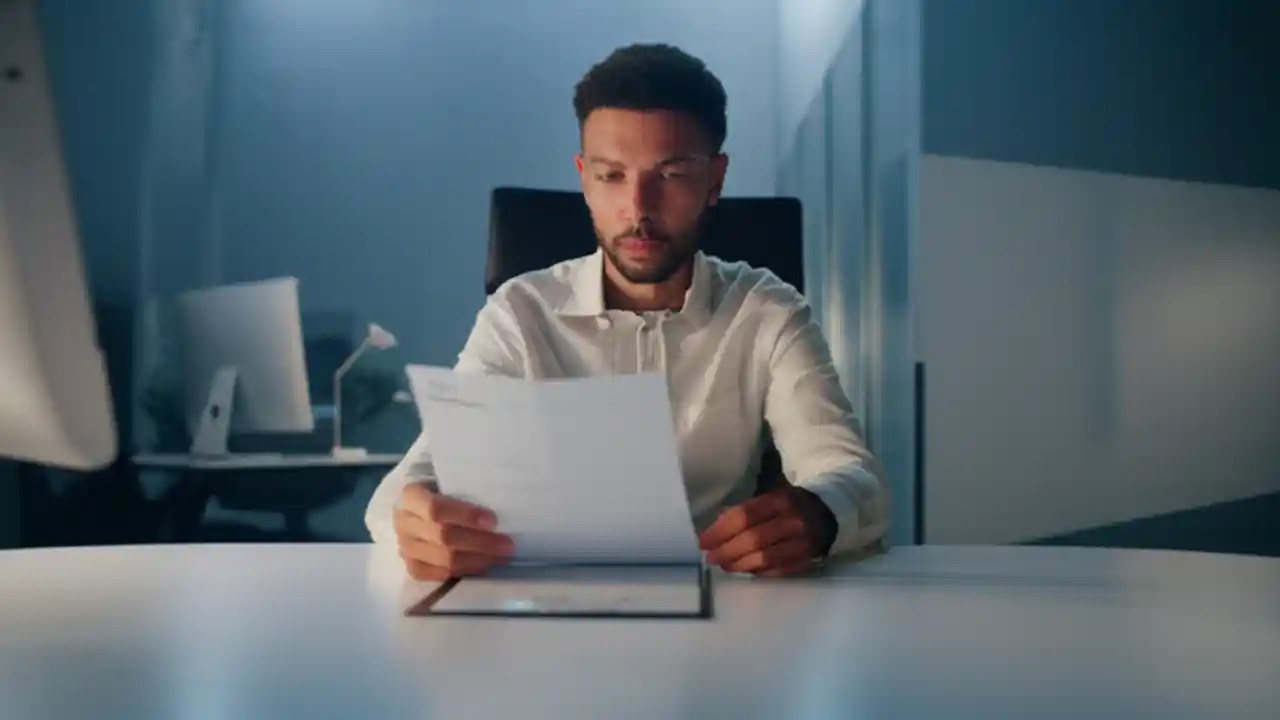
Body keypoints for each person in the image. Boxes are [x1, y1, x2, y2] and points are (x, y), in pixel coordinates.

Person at [366, 43, 888, 580]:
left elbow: (854, 477)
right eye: (611, 175)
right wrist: (417, 522)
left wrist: (821, 515)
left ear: (715, 179)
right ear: (583, 177)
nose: (638, 209)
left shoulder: (767, 311)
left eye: (671, 174)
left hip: (724, 597)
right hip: (545, 594)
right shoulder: (520, 313)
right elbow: (402, 490)